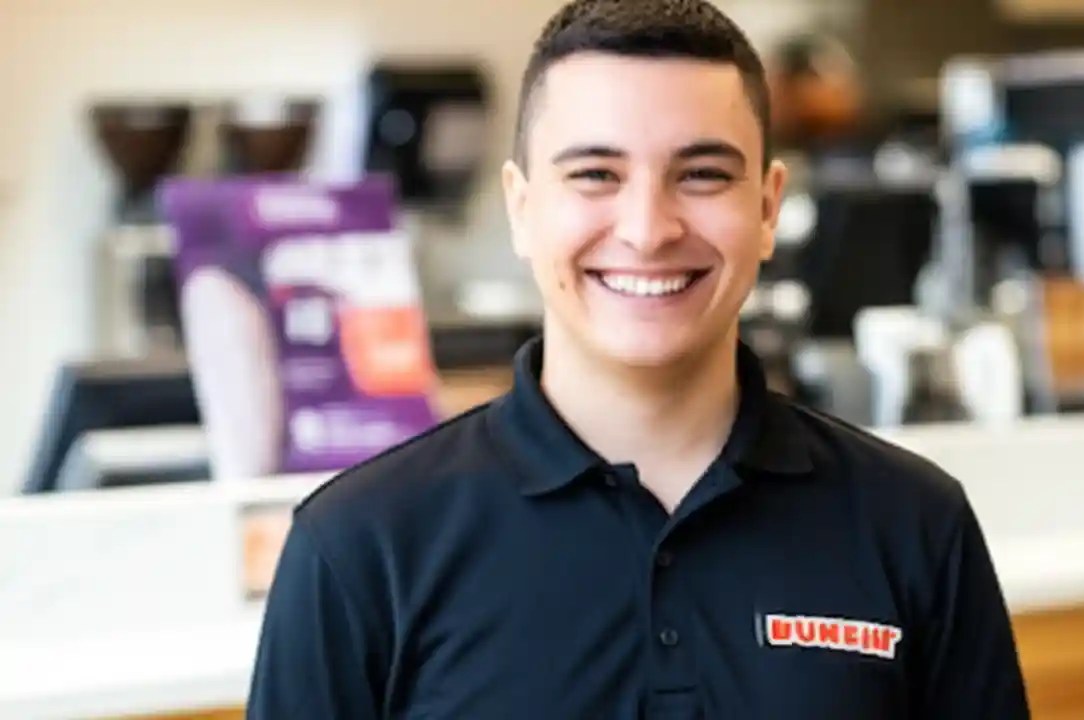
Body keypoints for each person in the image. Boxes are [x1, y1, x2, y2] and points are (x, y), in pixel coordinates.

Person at [246, 0, 1030, 717]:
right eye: (596, 175)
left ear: (766, 208)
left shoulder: (914, 524)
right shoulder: (358, 548)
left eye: (702, 175)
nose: (648, 228)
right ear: (523, 209)